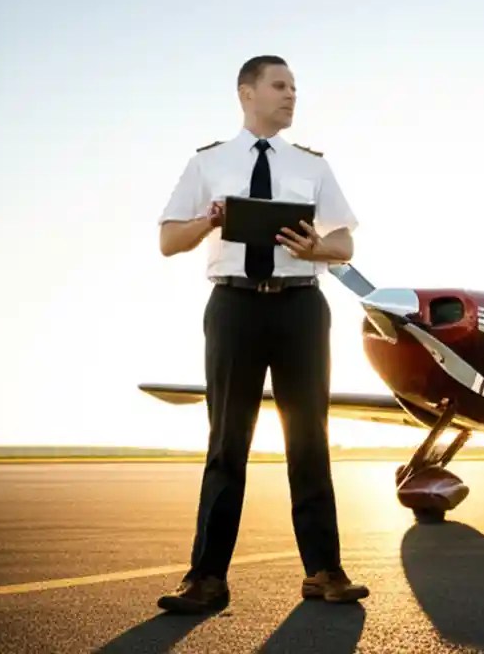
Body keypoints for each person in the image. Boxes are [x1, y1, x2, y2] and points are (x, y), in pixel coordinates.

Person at [154, 55, 369, 612]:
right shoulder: (208, 163)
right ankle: (206, 579)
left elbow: (344, 246)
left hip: (301, 309)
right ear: (246, 93)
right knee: (227, 442)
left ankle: (324, 571)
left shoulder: (313, 166)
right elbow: (169, 240)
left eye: (295, 87)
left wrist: (314, 248)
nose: (291, 95)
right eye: (280, 85)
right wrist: (214, 219)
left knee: (309, 440)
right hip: (233, 307)